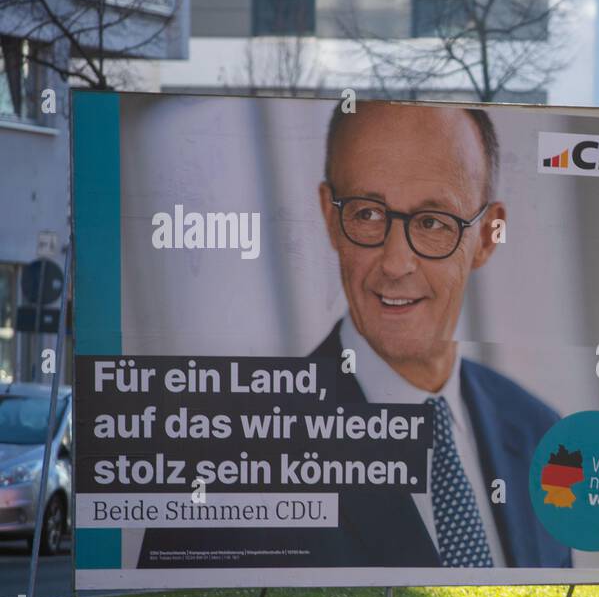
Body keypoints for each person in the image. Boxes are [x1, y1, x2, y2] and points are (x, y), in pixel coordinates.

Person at [140, 101, 570, 570]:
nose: (395, 262)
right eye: (367, 214)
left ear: (488, 234)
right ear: (329, 217)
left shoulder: (540, 437)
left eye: (432, 223)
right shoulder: (230, 459)